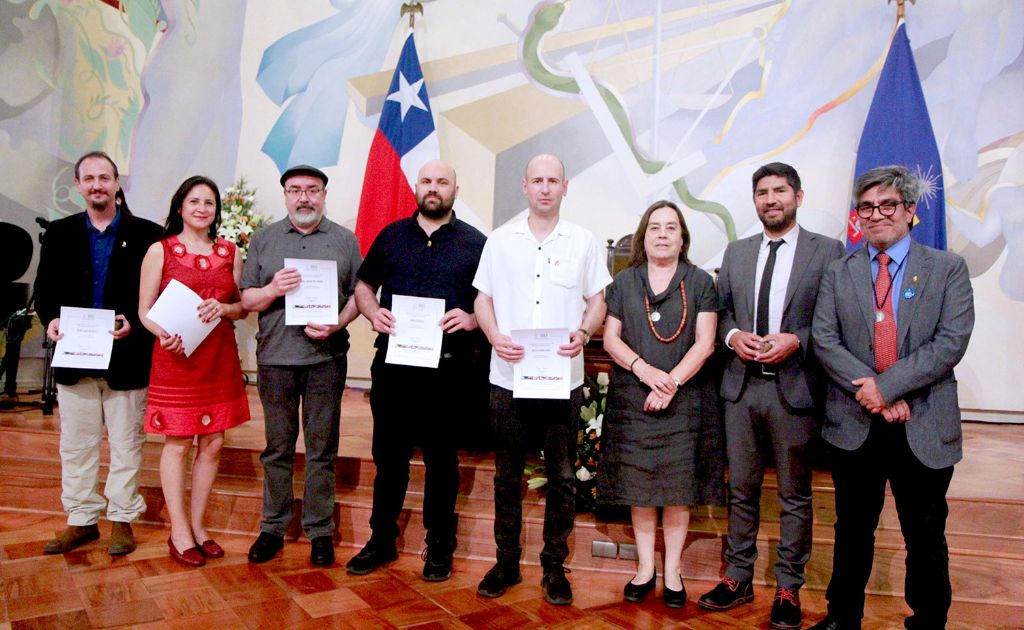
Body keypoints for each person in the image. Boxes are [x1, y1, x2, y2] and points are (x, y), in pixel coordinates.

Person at [809, 165, 974, 630]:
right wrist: (876, 393)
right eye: (867, 207)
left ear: (909, 211)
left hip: (922, 422)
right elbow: (825, 339)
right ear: (857, 216)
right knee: (852, 530)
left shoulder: (947, 269)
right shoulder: (839, 272)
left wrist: (889, 385)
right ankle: (843, 616)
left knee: (924, 532)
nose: (876, 214)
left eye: (887, 205)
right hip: (855, 423)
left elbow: (950, 342)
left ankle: (928, 619)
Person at [699, 162, 844, 629]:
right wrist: (732, 335)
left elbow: (833, 320)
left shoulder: (827, 252)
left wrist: (797, 339)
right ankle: (738, 577)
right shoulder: (737, 252)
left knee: (794, 496)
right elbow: (719, 314)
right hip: (740, 389)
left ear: (798, 197)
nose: (770, 200)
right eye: (762, 192)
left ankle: (788, 586)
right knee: (740, 489)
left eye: (780, 191)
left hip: (793, 389)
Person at [473, 153, 611, 606]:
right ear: (525, 186)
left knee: (562, 478)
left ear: (565, 187)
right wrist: (494, 336)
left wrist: (585, 331)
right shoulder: (499, 241)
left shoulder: (584, 241)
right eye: (538, 180)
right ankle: (506, 562)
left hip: (561, 382)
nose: (546, 188)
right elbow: (482, 301)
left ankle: (555, 566)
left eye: (554, 180)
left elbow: (597, 301)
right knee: (506, 477)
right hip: (508, 379)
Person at [346, 159, 487, 581]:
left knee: (443, 462)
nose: (433, 188)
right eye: (427, 180)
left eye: (443, 181)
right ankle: (381, 541)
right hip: (394, 368)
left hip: (449, 372)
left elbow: (494, 300)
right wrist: (372, 313)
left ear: (455, 191)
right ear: (417, 188)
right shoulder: (390, 237)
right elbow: (364, 286)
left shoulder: (476, 243)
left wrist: (474, 319)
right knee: (388, 459)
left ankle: (440, 546)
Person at [33, 151, 162, 556]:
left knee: (126, 443)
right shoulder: (58, 233)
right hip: (75, 358)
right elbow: (46, 290)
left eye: (104, 177)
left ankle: (122, 519)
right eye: (88, 179)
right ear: (77, 186)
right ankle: (81, 520)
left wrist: (136, 325)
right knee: (76, 445)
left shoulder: (148, 234)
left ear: (117, 182)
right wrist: (51, 320)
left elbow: (155, 298)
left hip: (128, 358)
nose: (97, 185)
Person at [597, 200, 720, 608]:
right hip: (634, 398)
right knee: (640, 488)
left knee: (676, 489)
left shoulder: (701, 282)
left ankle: (673, 573)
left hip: (685, 400)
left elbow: (705, 343)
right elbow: (611, 338)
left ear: (683, 237)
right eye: (655, 227)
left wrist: (669, 384)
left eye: (671, 227)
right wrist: (645, 371)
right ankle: (645, 569)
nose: (663, 234)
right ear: (643, 237)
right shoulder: (624, 282)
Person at [240, 164, 362, 567]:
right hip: (275, 359)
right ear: (286, 196)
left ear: (324, 195)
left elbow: (358, 296)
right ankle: (272, 527)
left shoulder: (345, 241)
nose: (304, 197)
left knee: (321, 447)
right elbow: (246, 302)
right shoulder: (263, 239)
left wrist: (338, 322)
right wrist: (274, 288)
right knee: (277, 448)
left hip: (326, 360)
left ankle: (320, 530)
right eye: (295, 190)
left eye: (312, 190)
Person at [138, 176, 250, 568]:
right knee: (179, 443)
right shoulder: (160, 250)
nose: (202, 208)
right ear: (180, 207)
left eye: (209, 203)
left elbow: (241, 307)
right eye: (194, 201)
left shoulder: (230, 252)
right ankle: (179, 531)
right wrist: (162, 332)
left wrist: (225, 309)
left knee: (214, 443)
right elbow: (145, 310)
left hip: (218, 357)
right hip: (177, 358)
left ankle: (199, 528)